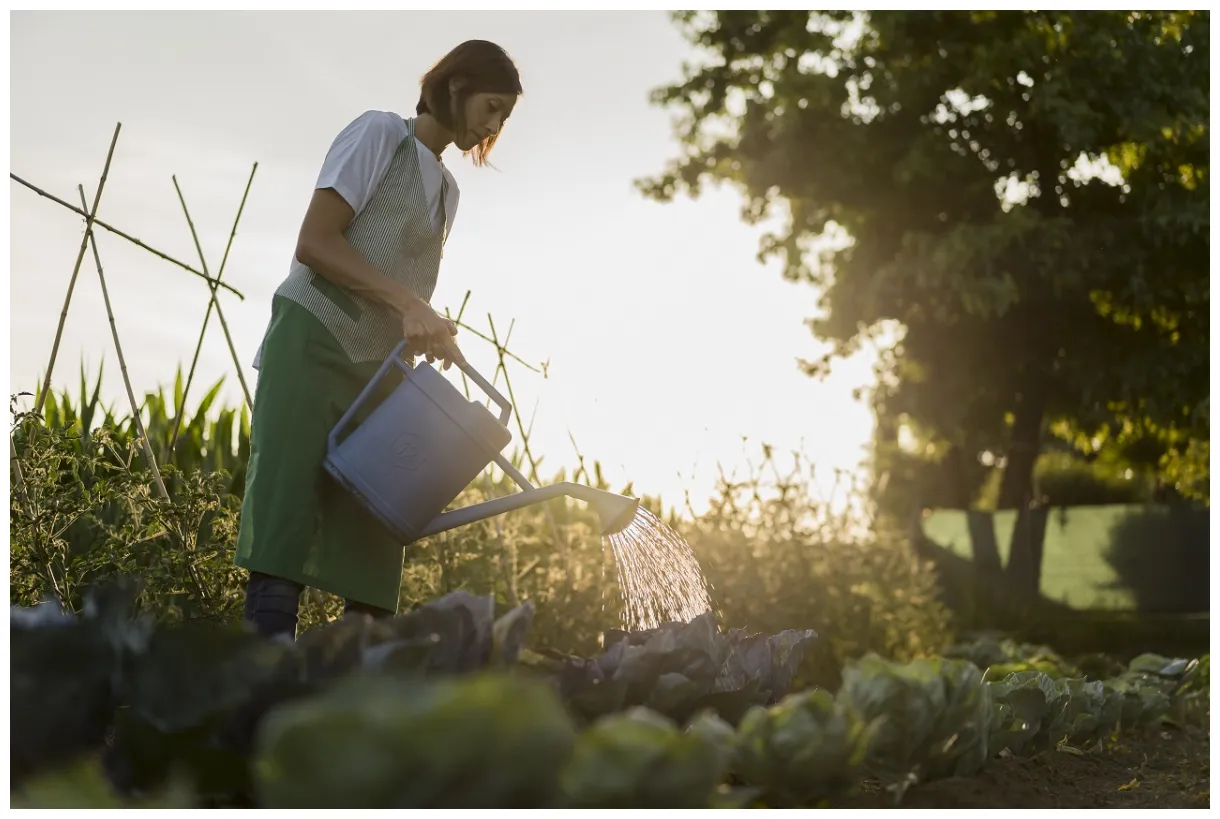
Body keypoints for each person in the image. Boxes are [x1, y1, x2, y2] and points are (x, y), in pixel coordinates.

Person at [235, 40, 523, 640]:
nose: (492, 125)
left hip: (379, 370)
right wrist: (408, 303)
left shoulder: (449, 193)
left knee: (376, 535)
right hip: (312, 341)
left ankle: (355, 697)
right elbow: (316, 242)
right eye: (490, 106)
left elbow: (400, 285)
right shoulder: (378, 136)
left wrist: (426, 326)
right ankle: (264, 686)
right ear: (454, 85)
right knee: (284, 518)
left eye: (503, 117)